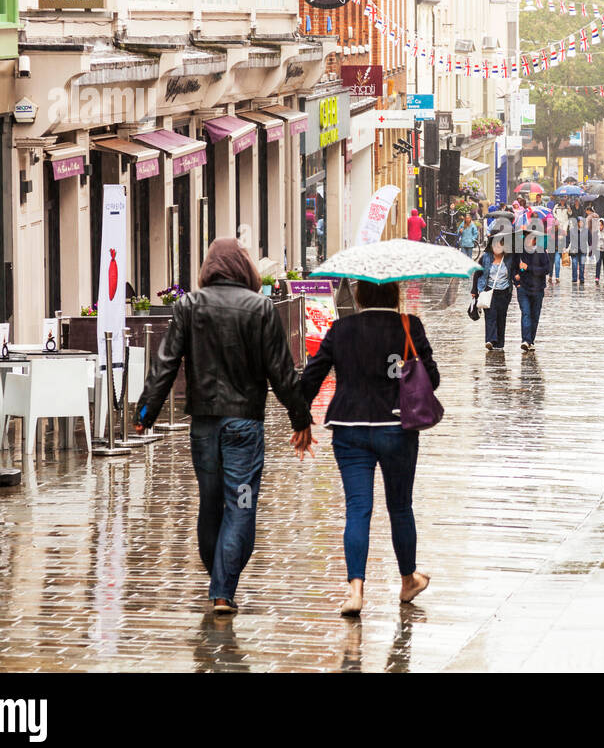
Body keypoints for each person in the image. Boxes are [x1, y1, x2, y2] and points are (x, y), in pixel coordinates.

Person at [135, 238, 312, 617]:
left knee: (210, 504)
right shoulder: (261, 308)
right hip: (244, 429)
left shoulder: (188, 306)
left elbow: (165, 363)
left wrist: (146, 411)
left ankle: (219, 583)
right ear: (244, 268)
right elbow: (281, 371)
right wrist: (300, 418)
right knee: (241, 506)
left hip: (203, 428)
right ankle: (222, 591)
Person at [298, 279, 438, 617]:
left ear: (359, 294)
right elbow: (432, 379)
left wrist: (300, 418)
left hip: (349, 427)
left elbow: (311, 377)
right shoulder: (409, 326)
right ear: (394, 293)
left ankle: (355, 590)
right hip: (396, 428)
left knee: (357, 509)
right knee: (400, 507)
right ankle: (408, 579)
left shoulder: (341, 328)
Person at [472, 235, 514, 350]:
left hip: (504, 292)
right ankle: (490, 340)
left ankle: (499, 343)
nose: (497, 247)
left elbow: (514, 272)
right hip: (488, 291)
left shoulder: (509, 258)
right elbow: (477, 273)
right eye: (495, 245)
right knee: (490, 316)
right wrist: (474, 290)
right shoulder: (485, 257)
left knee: (501, 317)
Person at [515, 230, 551, 350]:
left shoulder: (541, 252)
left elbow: (546, 269)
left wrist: (529, 268)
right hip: (523, 288)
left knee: (535, 315)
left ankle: (530, 341)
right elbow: (514, 268)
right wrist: (517, 282)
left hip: (538, 289)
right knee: (526, 313)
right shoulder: (520, 252)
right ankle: (525, 340)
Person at [567, 214, 587, 284]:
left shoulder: (585, 230)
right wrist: (565, 247)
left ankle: (581, 278)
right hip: (574, 250)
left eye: (582, 222)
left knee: (582, 265)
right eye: (580, 222)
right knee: (574, 264)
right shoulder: (572, 230)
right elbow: (568, 239)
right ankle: (574, 278)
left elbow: (590, 239)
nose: (581, 223)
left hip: (583, 250)